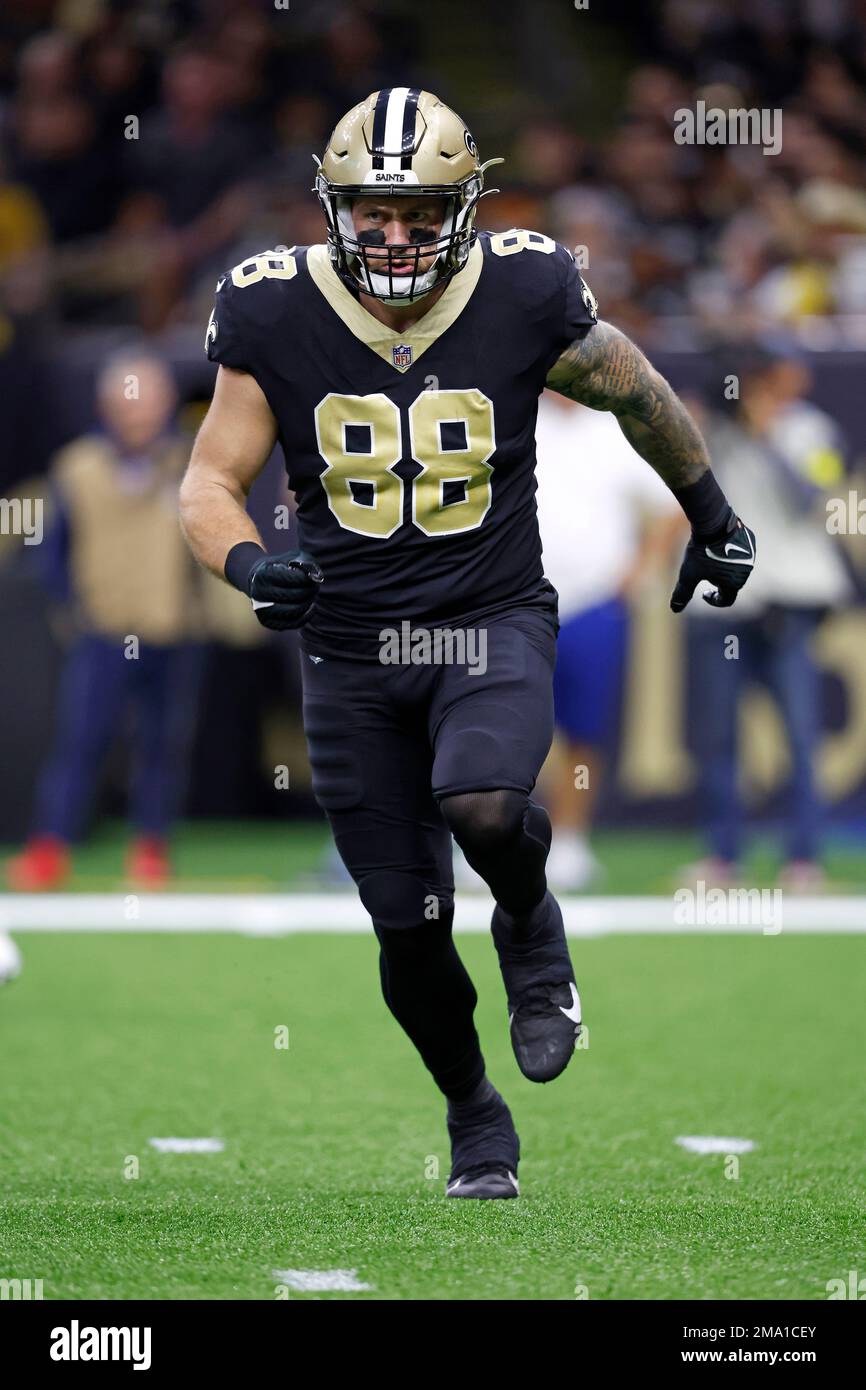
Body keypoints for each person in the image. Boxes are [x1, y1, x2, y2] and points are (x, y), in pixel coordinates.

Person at [180, 89, 756, 1200]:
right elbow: (207, 482)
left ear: (466, 208)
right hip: (349, 648)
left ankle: (533, 926)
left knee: (486, 801)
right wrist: (253, 564)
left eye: (416, 211)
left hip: (484, 616)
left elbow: (632, 386)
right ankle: (471, 1113)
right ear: (333, 209)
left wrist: (711, 509)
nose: (393, 235)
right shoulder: (267, 308)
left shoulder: (525, 286)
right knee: (406, 923)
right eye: (371, 211)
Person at [8, 352, 201, 891]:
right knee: (80, 742)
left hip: (172, 630)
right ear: (106, 406)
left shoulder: (189, 462)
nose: (138, 416)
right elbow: (53, 553)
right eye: (128, 404)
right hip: (103, 632)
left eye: (149, 403)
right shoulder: (78, 467)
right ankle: (50, 850)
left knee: (162, 747)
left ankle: (151, 851)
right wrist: (72, 610)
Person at [685, 346, 850, 888]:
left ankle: (803, 859)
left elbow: (812, 496)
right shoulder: (715, 430)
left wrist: (766, 435)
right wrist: (707, 419)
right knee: (719, 734)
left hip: (789, 604)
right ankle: (723, 856)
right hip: (724, 602)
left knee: (800, 734)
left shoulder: (813, 431)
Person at [534, 392, 684, 888]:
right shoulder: (512, 415)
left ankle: (570, 841)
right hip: (514, 600)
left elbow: (674, 503)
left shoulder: (615, 430)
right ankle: (492, 836)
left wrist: (638, 572)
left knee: (584, 728)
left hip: (595, 600)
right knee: (498, 724)